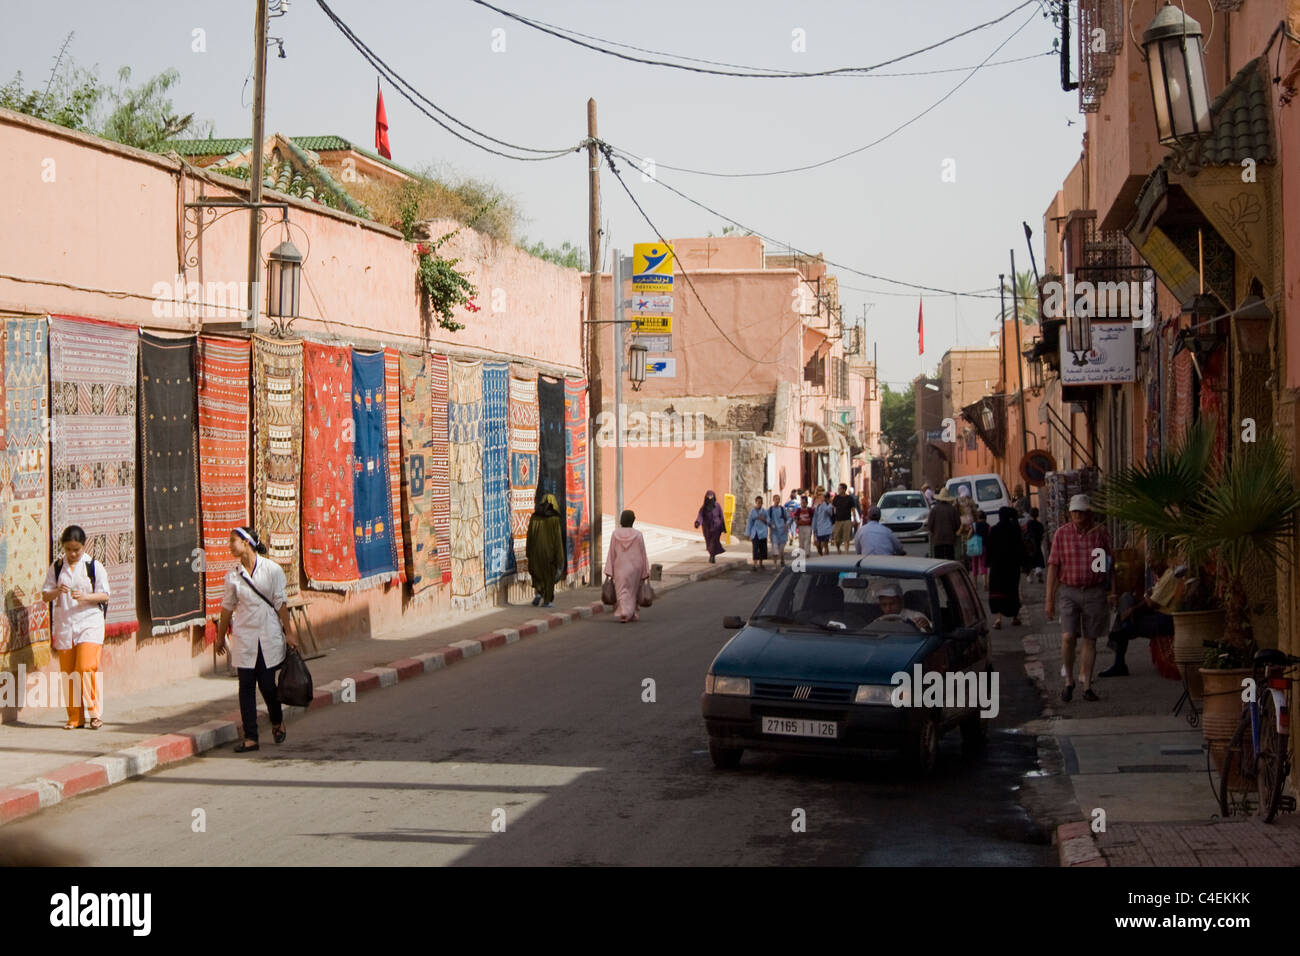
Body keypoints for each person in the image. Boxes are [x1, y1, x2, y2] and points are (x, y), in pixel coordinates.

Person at [216, 527, 297, 753]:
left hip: (268, 635)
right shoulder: (233, 576)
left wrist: (289, 632)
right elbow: (226, 608)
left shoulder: (272, 570)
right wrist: (220, 637)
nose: (229, 545)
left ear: (246, 543)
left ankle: (276, 720)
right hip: (244, 638)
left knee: (268, 685)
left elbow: (280, 602)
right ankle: (251, 737)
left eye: (233, 541)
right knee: (246, 688)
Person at [1045, 494, 1118, 703]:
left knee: (1090, 637)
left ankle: (1086, 684)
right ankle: (1069, 680)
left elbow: (1106, 566)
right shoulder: (1062, 534)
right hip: (1069, 591)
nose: (1077, 515)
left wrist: (1112, 591)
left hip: (1094, 591)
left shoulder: (1099, 534)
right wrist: (1049, 599)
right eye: (1074, 512)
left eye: (1081, 512)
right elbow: (1053, 567)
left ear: (1089, 513)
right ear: (1070, 513)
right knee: (1068, 636)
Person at [40, 526, 111, 730]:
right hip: (66, 623)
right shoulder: (57, 567)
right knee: (69, 672)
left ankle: (94, 713)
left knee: (85, 667)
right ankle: (75, 717)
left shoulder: (93, 566)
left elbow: (105, 595)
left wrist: (86, 597)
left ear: (83, 547)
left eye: (76, 550)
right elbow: (45, 595)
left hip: (89, 621)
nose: (72, 554)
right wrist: (57, 591)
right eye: (69, 549)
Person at [1100, 558, 1175, 677]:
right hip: (1159, 615)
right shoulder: (1164, 575)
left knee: (1123, 627)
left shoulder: (1170, 576)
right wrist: (1135, 608)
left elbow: (1151, 603)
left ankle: (1121, 634)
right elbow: (1149, 597)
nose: (1151, 566)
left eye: (1154, 562)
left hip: (1167, 620)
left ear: (1163, 559)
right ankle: (1124, 626)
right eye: (1149, 564)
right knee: (1126, 598)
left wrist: (1135, 607)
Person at [605, 509, 650, 623]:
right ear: (633, 520)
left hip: (620, 566)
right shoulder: (638, 535)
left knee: (621, 591)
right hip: (635, 567)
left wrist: (609, 570)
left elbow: (611, 553)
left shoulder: (615, 534)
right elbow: (643, 553)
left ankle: (624, 612)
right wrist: (645, 571)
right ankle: (632, 612)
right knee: (633, 592)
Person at [986, 506, 1025, 629]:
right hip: (1012, 567)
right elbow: (1020, 547)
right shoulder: (1014, 529)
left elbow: (989, 547)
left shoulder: (994, 529)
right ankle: (1015, 617)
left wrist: (988, 562)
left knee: (997, 592)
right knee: (1012, 591)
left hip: (997, 566)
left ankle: (998, 620)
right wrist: (1023, 563)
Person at [526, 493, 566, 607]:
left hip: (535, 553)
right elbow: (557, 540)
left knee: (537, 574)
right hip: (549, 555)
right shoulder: (554, 520)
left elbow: (530, 536)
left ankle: (538, 593)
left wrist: (528, 553)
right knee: (548, 577)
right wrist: (560, 558)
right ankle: (547, 601)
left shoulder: (534, 518)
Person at [925, 487, 961, 560]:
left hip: (938, 539)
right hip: (950, 539)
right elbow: (958, 524)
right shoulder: (952, 509)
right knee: (950, 558)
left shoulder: (934, 509)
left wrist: (933, 532)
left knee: (939, 560)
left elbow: (930, 525)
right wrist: (953, 531)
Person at [694, 490, 727, 564]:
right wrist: (698, 522)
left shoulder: (717, 506)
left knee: (714, 542)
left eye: (711, 496)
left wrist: (723, 527)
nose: (710, 498)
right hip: (707, 528)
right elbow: (700, 516)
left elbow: (721, 516)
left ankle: (712, 557)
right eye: (708, 496)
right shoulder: (704, 507)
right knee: (709, 542)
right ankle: (712, 555)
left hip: (716, 527)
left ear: (714, 497)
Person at [830, 483, 860, 554]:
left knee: (846, 538)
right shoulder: (836, 498)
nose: (838, 490)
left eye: (839, 489)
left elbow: (853, 509)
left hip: (847, 520)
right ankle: (838, 549)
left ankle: (846, 552)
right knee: (836, 538)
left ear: (844, 490)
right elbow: (832, 508)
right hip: (838, 520)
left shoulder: (849, 498)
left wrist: (854, 519)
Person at [745, 495, 771, 570]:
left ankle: (761, 563)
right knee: (755, 549)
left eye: (761, 502)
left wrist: (763, 519)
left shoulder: (764, 511)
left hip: (763, 532)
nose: (759, 504)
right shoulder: (752, 511)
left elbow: (769, 521)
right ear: (756, 502)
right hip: (755, 532)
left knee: (762, 548)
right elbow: (749, 522)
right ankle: (755, 564)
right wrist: (748, 533)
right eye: (758, 502)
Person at [767, 493, 791, 567]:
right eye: (776, 499)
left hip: (783, 532)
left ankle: (782, 561)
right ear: (773, 500)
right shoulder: (770, 510)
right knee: (775, 549)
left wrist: (787, 524)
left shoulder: (782, 509)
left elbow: (789, 518)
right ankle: (775, 564)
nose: (777, 501)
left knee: (781, 549)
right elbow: (767, 519)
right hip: (774, 533)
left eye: (778, 499)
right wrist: (770, 524)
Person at [1022, 506, 1046, 582]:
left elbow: (1025, 533)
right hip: (1038, 545)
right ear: (1037, 514)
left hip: (1030, 545)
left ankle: (1029, 577)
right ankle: (1039, 573)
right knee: (1038, 561)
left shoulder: (1028, 524)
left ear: (1030, 514)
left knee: (1029, 562)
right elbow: (1042, 534)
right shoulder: (1040, 525)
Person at [968, 512, 990, 590]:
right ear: (985, 518)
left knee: (974, 565)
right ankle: (985, 583)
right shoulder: (988, 526)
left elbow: (969, 536)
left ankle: (975, 585)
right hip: (984, 547)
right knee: (983, 565)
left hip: (975, 547)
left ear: (978, 518)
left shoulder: (974, 525)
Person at [812, 492, 834, 556]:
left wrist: (824, 504)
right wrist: (814, 527)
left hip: (826, 526)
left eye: (822, 497)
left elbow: (829, 512)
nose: (820, 498)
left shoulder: (829, 505)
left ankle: (826, 555)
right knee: (818, 543)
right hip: (819, 527)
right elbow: (815, 517)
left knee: (825, 543)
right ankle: (821, 553)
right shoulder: (817, 506)